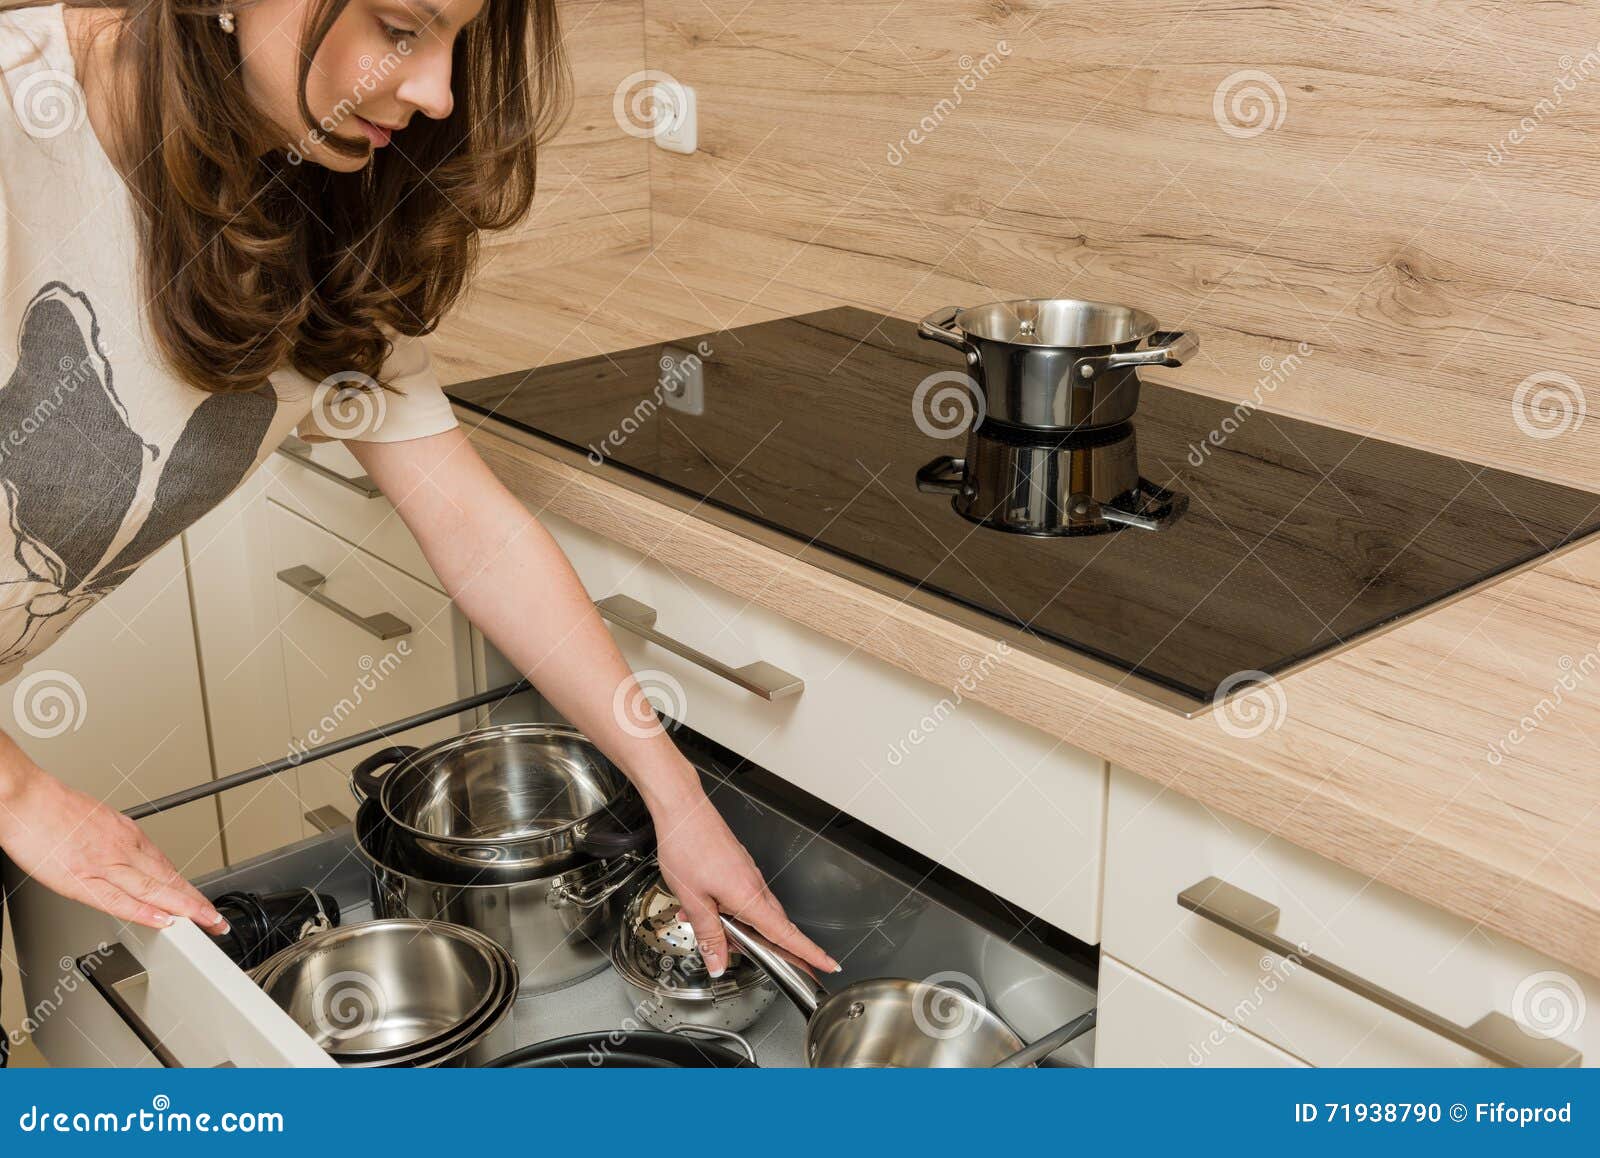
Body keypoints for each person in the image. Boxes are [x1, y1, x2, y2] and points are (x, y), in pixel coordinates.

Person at [0, 0, 837, 1061]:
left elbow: (477, 532)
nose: (439, 90)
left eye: (460, 43)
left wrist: (677, 803)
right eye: (401, 25)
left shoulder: (316, 202)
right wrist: (19, 791)